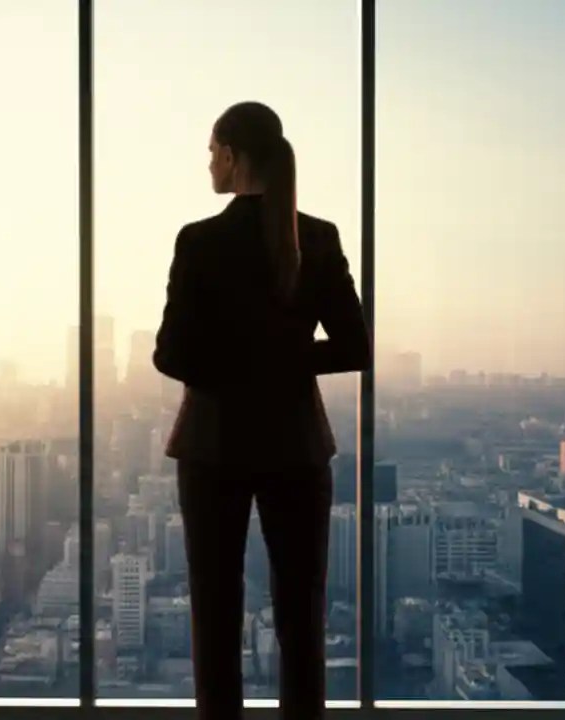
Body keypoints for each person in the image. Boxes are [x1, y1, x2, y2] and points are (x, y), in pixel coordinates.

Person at [153, 101, 370, 719]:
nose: (209, 164)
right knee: (301, 617)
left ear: (231, 155)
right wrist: (282, 360)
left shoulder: (199, 241)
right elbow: (356, 348)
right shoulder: (319, 238)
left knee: (215, 613)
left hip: (212, 447)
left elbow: (171, 354)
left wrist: (235, 367)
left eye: (211, 152)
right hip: (295, 445)